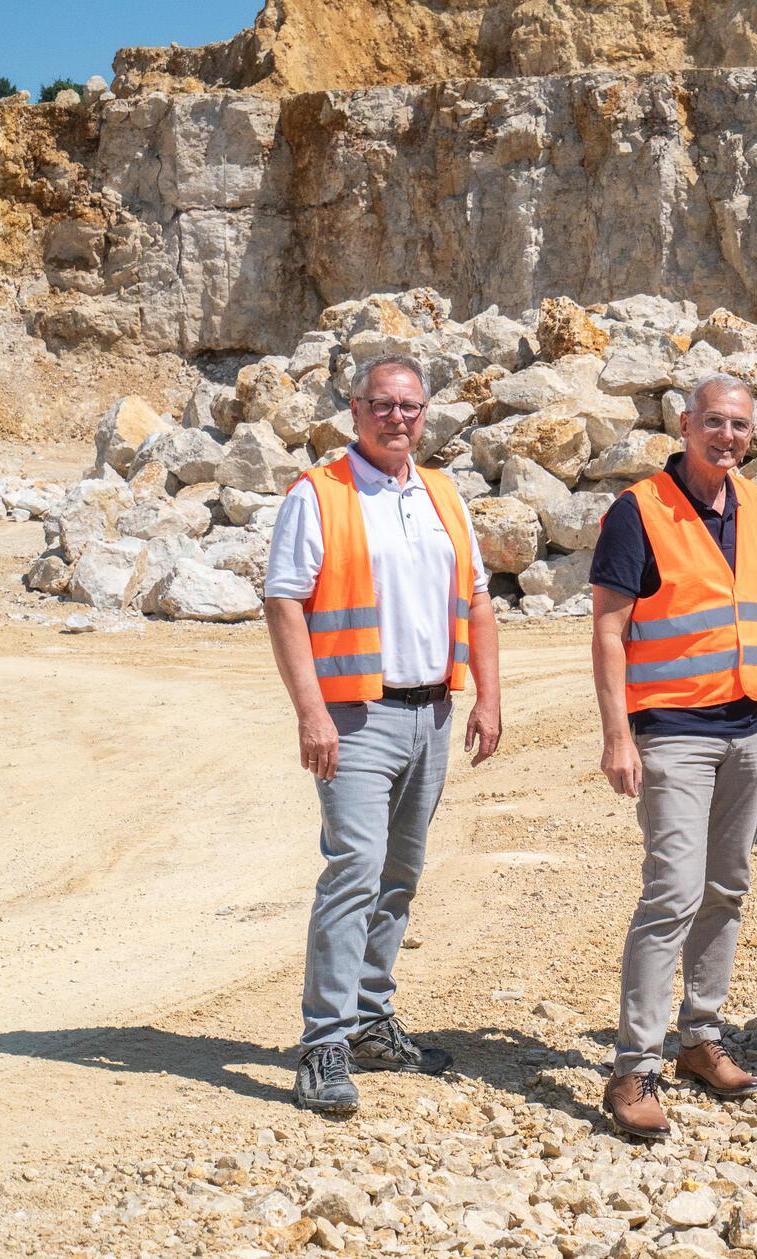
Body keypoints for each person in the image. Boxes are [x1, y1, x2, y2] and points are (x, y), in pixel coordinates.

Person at [264, 352, 503, 1114]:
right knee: (354, 869)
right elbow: (283, 602)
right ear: (355, 411)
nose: (398, 418)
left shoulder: (440, 493)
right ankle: (324, 1041)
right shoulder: (321, 494)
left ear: (424, 413)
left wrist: (487, 697)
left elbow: (478, 601)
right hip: (356, 717)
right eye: (382, 404)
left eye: (410, 406)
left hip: (431, 711)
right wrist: (311, 712)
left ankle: (369, 1020)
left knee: (399, 871)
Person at [590, 373, 757, 1140]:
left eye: (740, 425)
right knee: (673, 890)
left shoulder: (753, 505)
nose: (727, 436)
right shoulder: (637, 511)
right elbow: (609, 630)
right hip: (673, 732)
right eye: (714, 422)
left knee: (727, 885)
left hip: (750, 725)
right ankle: (634, 1067)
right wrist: (618, 734)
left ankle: (701, 1037)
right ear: (685, 425)